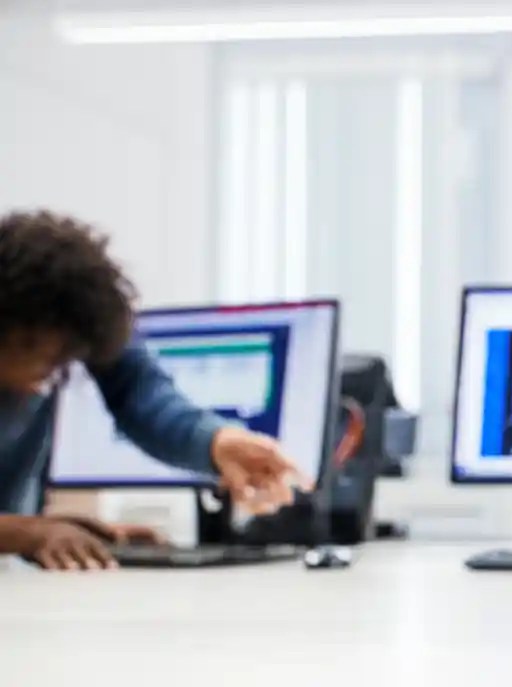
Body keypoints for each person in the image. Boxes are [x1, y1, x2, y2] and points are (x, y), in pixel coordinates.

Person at [0, 209, 304, 571]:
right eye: (47, 363)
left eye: (65, 365)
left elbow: (140, 396)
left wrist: (215, 441)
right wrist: (28, 533)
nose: (49, 381)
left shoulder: (69, 322)